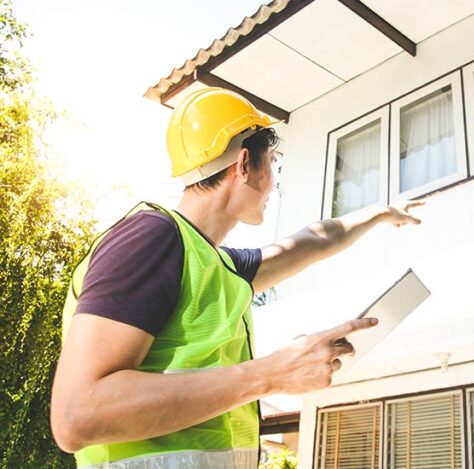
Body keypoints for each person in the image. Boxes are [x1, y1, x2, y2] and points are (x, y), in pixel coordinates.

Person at [50, 87, 423, 468]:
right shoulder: (152, 237)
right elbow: (76, 415)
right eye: (273, 164)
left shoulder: (218, 266)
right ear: (244, 164)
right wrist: (272, 374)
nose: (274, 183)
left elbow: (314, 240)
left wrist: (382, 213)